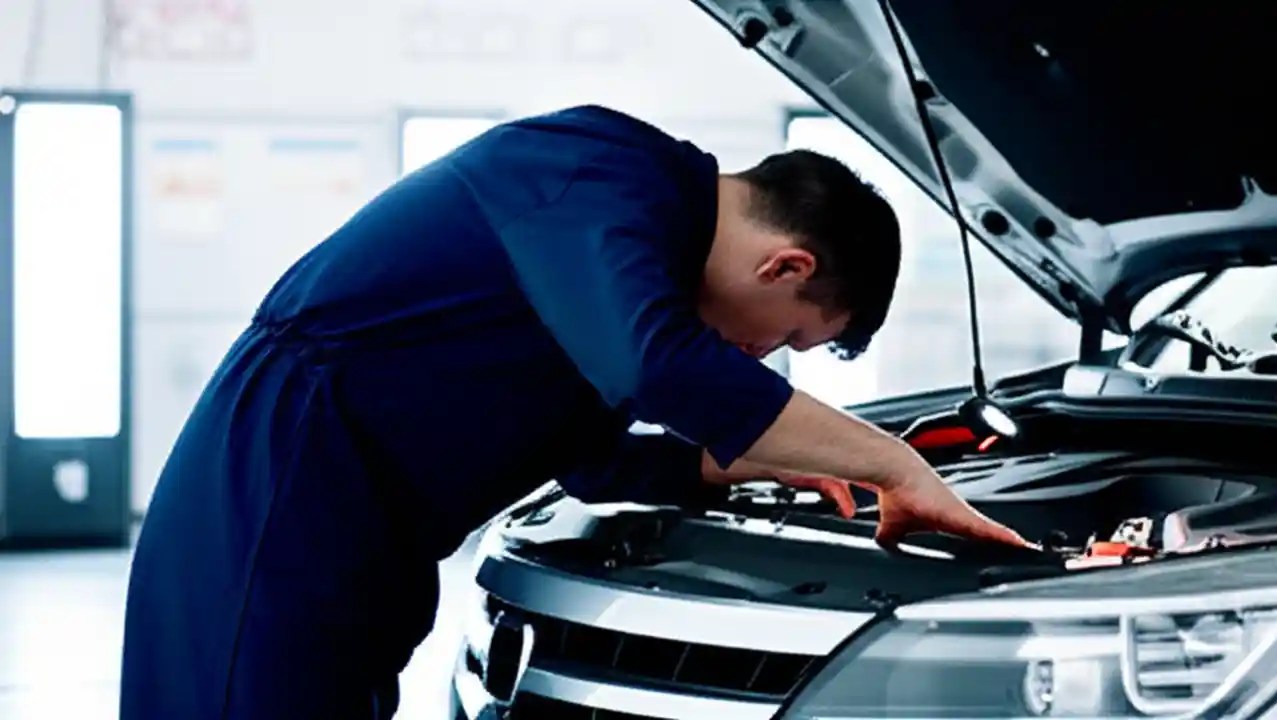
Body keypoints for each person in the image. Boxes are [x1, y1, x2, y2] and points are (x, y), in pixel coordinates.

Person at [120, 104, 1027, 719]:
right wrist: (894, 464)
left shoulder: (636, 273)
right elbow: (657, 369)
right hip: (279, 488)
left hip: (364, 532)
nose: (761, 359)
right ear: (783, 268)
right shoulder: (600, 175)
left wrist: (784, 463)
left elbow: (600, 458)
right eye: (783, 341)